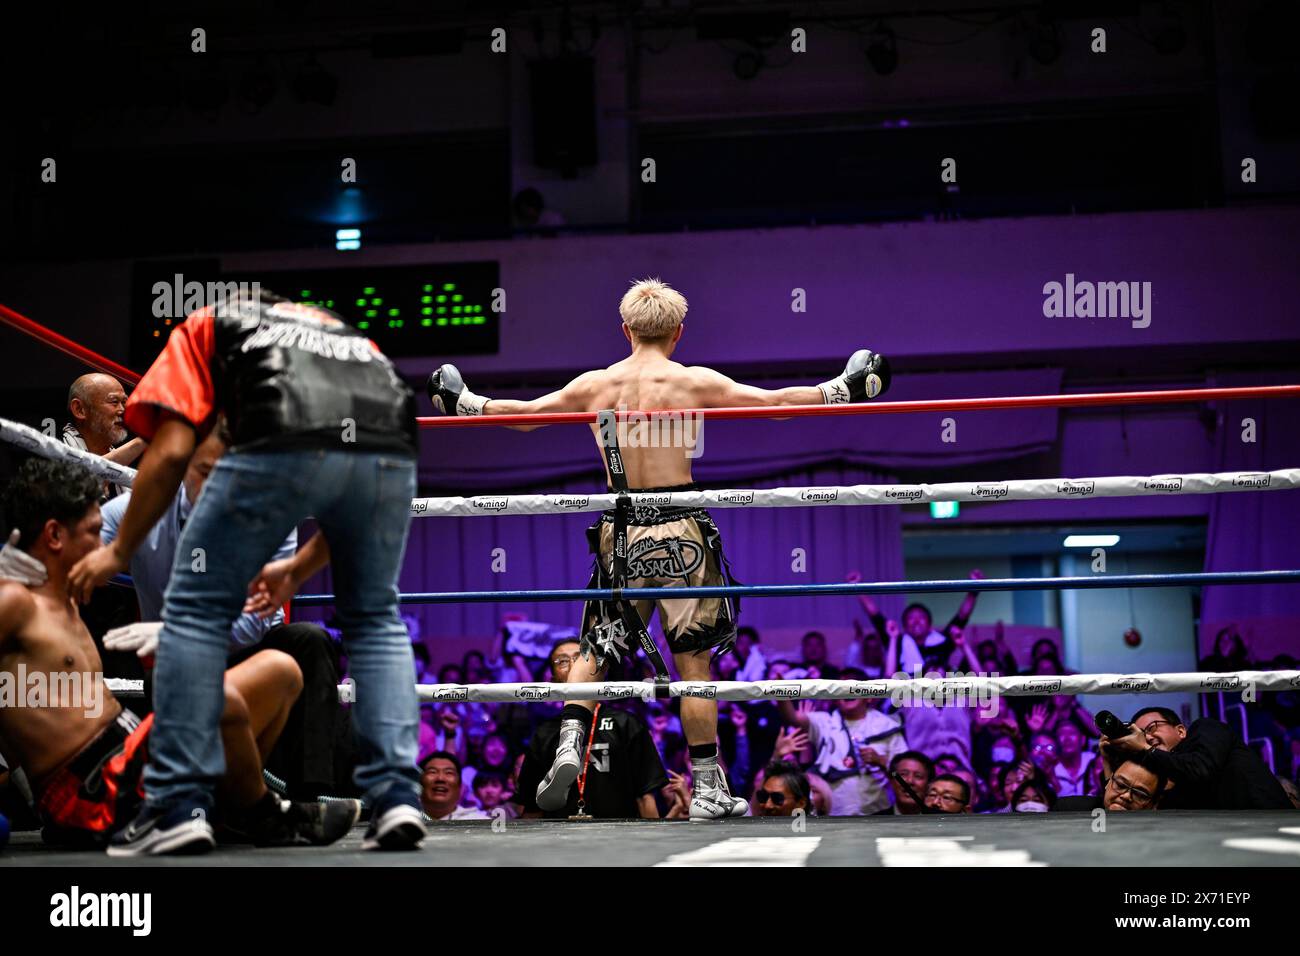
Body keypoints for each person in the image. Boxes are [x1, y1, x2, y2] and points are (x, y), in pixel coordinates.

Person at [429, 277, 891, 819]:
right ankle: (708, 787)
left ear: (625, 330)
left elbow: (524, 416)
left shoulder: (596, 385)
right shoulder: (691, 381)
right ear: (678, 332)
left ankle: (569, 747)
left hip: (621, 532)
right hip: (681, 531)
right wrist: (847, 387)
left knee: (597, 650)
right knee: (693, 662)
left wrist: (463, 402)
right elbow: (777, 404)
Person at [65, 289, 424, 854]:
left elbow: (169, 447)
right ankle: (399, 797)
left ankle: (178, 807)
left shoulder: (204, 327)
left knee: (189, 614)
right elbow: (348, 479)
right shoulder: (334, 329)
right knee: (376, 617)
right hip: (392, 437)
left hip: (277, 438)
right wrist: (300, 568)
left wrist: (117, 551)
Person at [0, 458, 356, 851]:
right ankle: (264, 815)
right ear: (54, 536)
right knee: (218, 699)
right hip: (90, 791)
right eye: (94, 534)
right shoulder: (16, 599)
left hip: (128, 750)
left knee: (282, 670)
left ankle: (231, 813)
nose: (107, 548)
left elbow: (256, 621)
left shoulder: (64, 594)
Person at [98, 419, 353, 801]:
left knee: (310, 641)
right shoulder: (134, 509)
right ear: (184, 464)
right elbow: (72, 558)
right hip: (173, 663)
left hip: (244, 651)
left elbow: (251, 624)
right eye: (205, 471)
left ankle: (309, 798)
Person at [513, 639, 668, 819]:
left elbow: (645, 796)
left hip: (621, 838)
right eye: (562, 661)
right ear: (553, 679)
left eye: (580, 659)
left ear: (596, 670)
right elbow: (533, 807)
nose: (573, 666)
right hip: (558, 839)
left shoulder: (626, 724)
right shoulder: (544, 733)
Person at [1099, 706, 1291, 810]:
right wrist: (1108, 762)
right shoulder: (1163, 775)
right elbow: (1127, 804)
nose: (1147, 737)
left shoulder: (1205, 729)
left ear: (1181, 730)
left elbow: (1199, 770)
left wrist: (1142, 748)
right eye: (1141, 734)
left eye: (1152, 728)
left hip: (1274, 824)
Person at [778, 669, 907, 815]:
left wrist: (882, 761)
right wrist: (781, 690)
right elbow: (792, 718)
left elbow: (906, 773)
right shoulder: (824, 722)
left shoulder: (887, 726)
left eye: (854, 687)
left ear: (869, 697)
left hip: (879, 812)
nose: (847, 691)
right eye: (841, 689)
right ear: (835, 698)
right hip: (836, 814)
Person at [62, 373, 146, 500]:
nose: (123, 410)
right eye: (114, 402)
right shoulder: (51, 453)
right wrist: (145, 440)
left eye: (124, 402)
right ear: (79, 409)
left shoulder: (132, 459)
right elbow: (82, 481)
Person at [1055, 758, 1168, 812]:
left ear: (1154, 804)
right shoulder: (1068, 809)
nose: (1126, 796)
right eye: (1120, 785)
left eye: (1140, 794)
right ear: (1108, 783)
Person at [419, 752, 489, 822]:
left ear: (460, 787)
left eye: (449, 772)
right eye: (432, 772)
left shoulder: (479, 824)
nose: (440, 778)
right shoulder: (409, 818)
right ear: (418, 784)